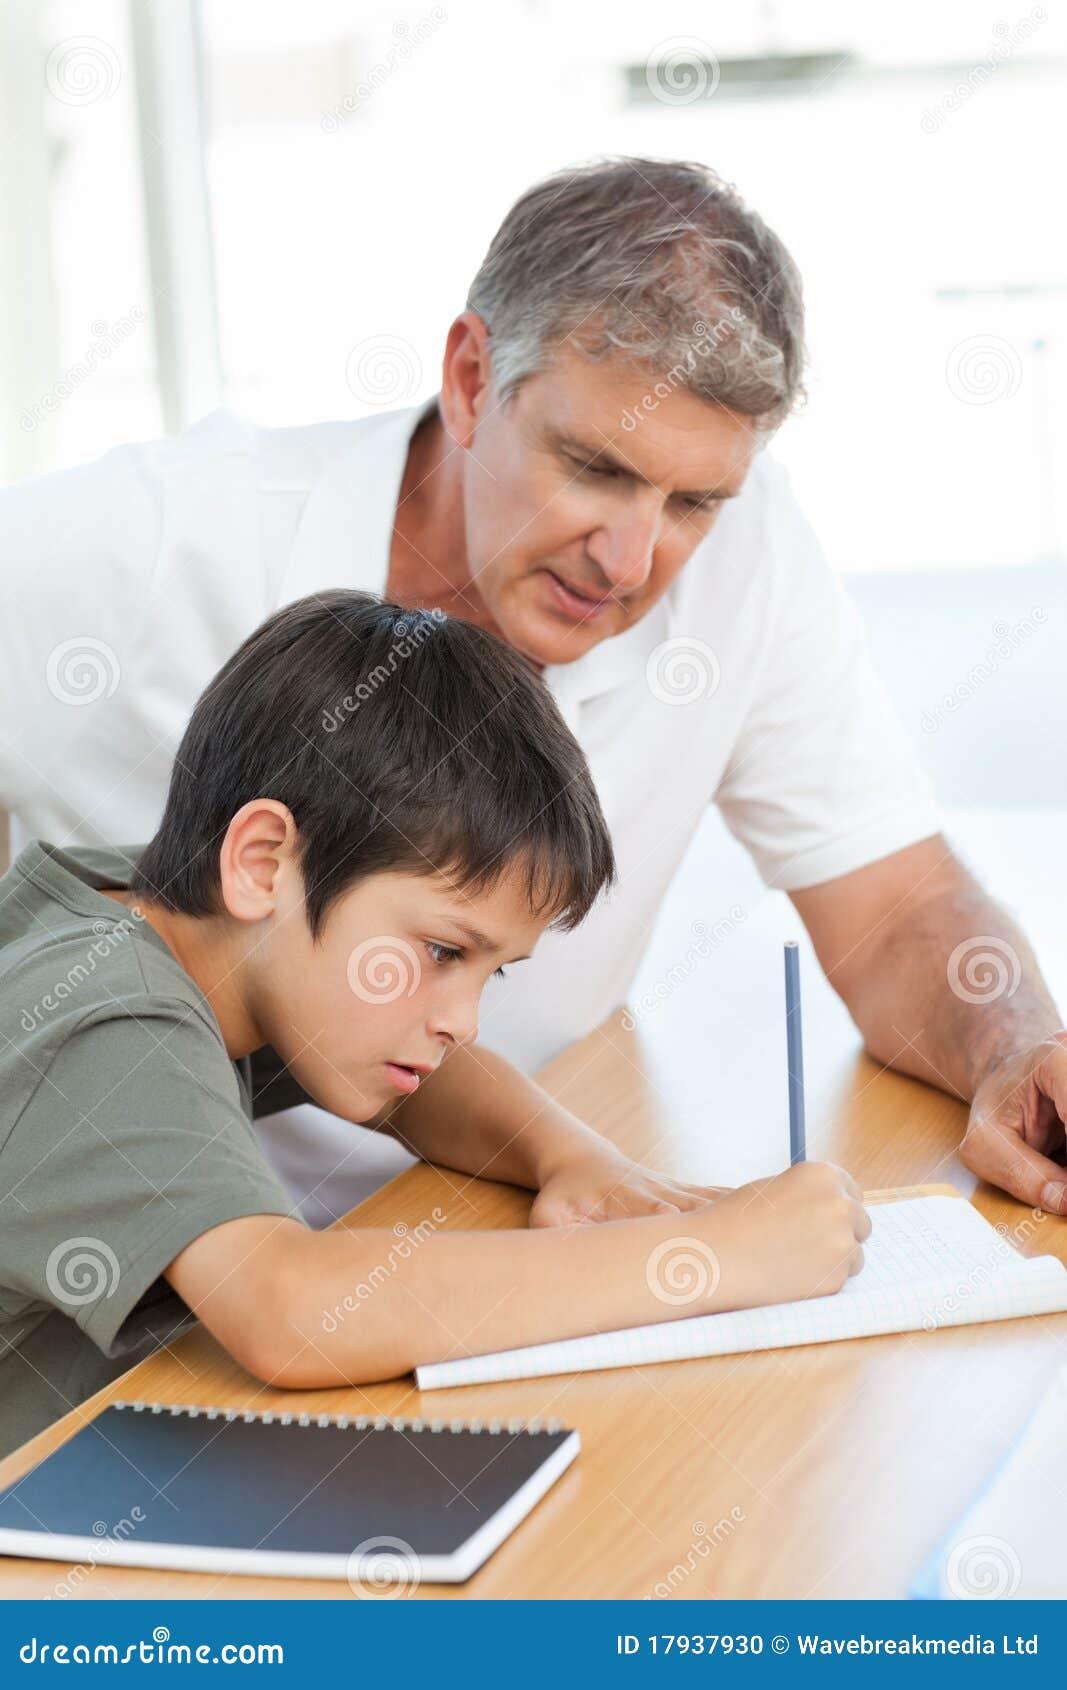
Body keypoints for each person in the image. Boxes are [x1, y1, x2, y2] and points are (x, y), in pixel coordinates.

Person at [2, 157, 1063, 1219]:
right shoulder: (156, 539)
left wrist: (1014, 1049)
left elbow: (895, 908)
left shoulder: (748, 550)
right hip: (199, 1294)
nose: (631, 558)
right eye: (593, 467)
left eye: (692, 500)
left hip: (506, 1202)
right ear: (470, 379)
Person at [0, 591, 869, 1458]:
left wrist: (573, 1162)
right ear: (262, 860)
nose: (462, 1023)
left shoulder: (187, 920)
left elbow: (427, 1085)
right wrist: (712, 1257)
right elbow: (290, 1309)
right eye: (445, 952)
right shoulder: (103, 1023)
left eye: (492, 973)